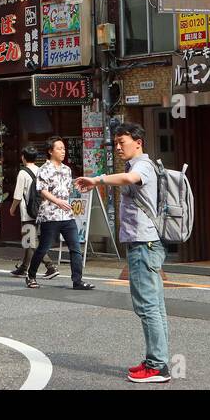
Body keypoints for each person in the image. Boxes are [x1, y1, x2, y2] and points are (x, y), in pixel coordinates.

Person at [75, 123, 170, 383]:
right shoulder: (136, 165)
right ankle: (156, 360)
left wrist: (97, 180)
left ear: (138, 141)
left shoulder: (142, 166)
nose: (118, 147)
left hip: (144, 244)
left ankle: (158, 366)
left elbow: (129, 180)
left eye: (122, 142)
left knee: (148, 306)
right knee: (155, 306)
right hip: (144, 243)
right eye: (115, 143)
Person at [26, 136, 93, 291]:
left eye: (64, 148)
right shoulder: (44, 169)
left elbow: (69, 190)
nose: (63, 151)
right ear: (50, 151)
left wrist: (85, 188)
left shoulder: (67, 170)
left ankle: (78, 281)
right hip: (50, 215)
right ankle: (31, 275)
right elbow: (42, 191)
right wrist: (57, 202)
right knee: (44, 248)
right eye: (59, 148)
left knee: (75, 248)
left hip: (67, 216)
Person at [10, 146, 59, 280]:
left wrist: (12, 208)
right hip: (40, 210)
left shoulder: (23, 173)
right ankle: (24, 268)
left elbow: (18, 196)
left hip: (28, 212)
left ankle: (50, 266)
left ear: (23, 157)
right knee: (29, 240)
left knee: (31, 241)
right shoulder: (40, 170)